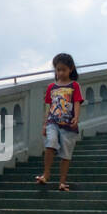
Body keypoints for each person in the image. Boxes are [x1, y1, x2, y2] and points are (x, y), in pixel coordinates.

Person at [36, 52, 83, 191]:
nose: (60, 73)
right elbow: (48, 106)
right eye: (58, 70)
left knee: (66, 153)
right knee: (50, 144)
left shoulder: (74, 86)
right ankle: (46, 174)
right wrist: (45, 124)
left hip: (68, 125)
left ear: (71, 69)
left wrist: (76, 117)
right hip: (53, 122)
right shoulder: (51, 87)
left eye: (63, 69)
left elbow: (77, 102)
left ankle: (62, 182)